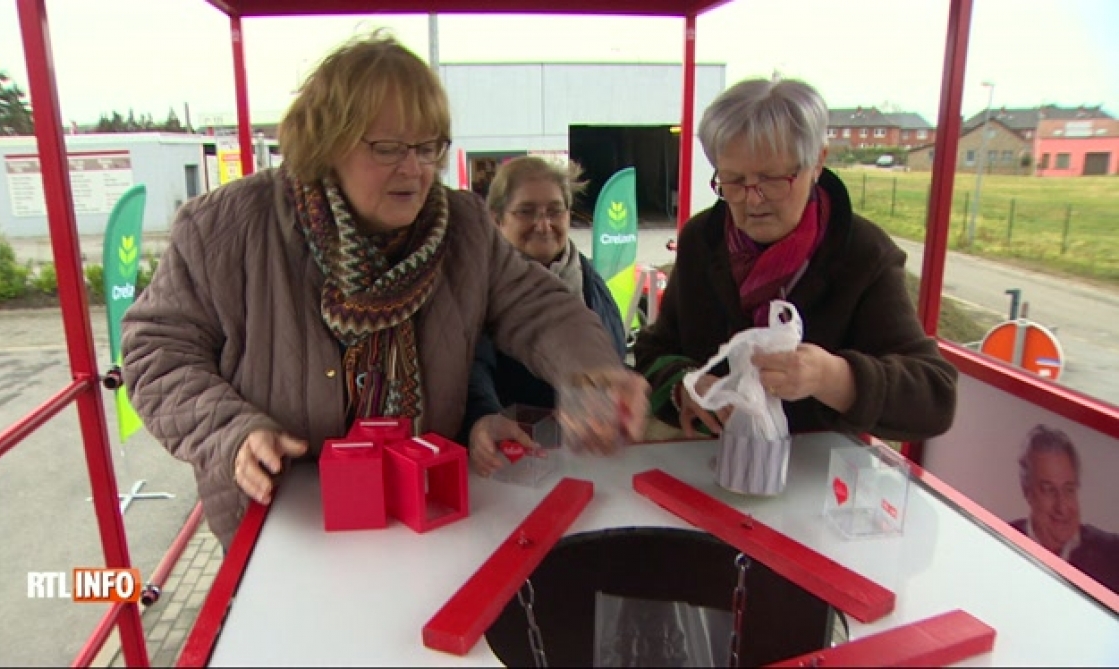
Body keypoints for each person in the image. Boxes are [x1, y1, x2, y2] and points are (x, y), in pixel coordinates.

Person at [121, 32, 648, 549]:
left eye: (427, 147)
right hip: (288, 520)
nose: (415, 169)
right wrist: (228, 433)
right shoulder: (227, 227)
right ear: (326, 143)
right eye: (388, 147)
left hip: (420, 509)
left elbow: (539, 308)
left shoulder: (461, 225)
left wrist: (593, 371)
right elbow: (156, 354)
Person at [634, 77, 956, 441]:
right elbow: (653, 351)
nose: (752, 200)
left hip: (813, 481)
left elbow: (937, 396)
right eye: (733, 181)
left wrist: (832, 377)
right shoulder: (702, 239)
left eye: (772, 179)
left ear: (817, 162)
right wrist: (686, 386)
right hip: (709, 467)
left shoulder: (863, 254)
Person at [461, 156, 627, 476]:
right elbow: (471, 366)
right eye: (526, 211)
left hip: (583, 456)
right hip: (508, 459)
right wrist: (484, 416)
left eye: (554, 210)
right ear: (496, 219)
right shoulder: (479, 286)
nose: (543, 224)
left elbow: (614, 352)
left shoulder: (591, 280)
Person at [1009, 424, 1119, 594]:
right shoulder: (1002, 543)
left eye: (1069, 490)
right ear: (1027, 491)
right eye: (1049, 490)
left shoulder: (1112, 553)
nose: (1061, 507)